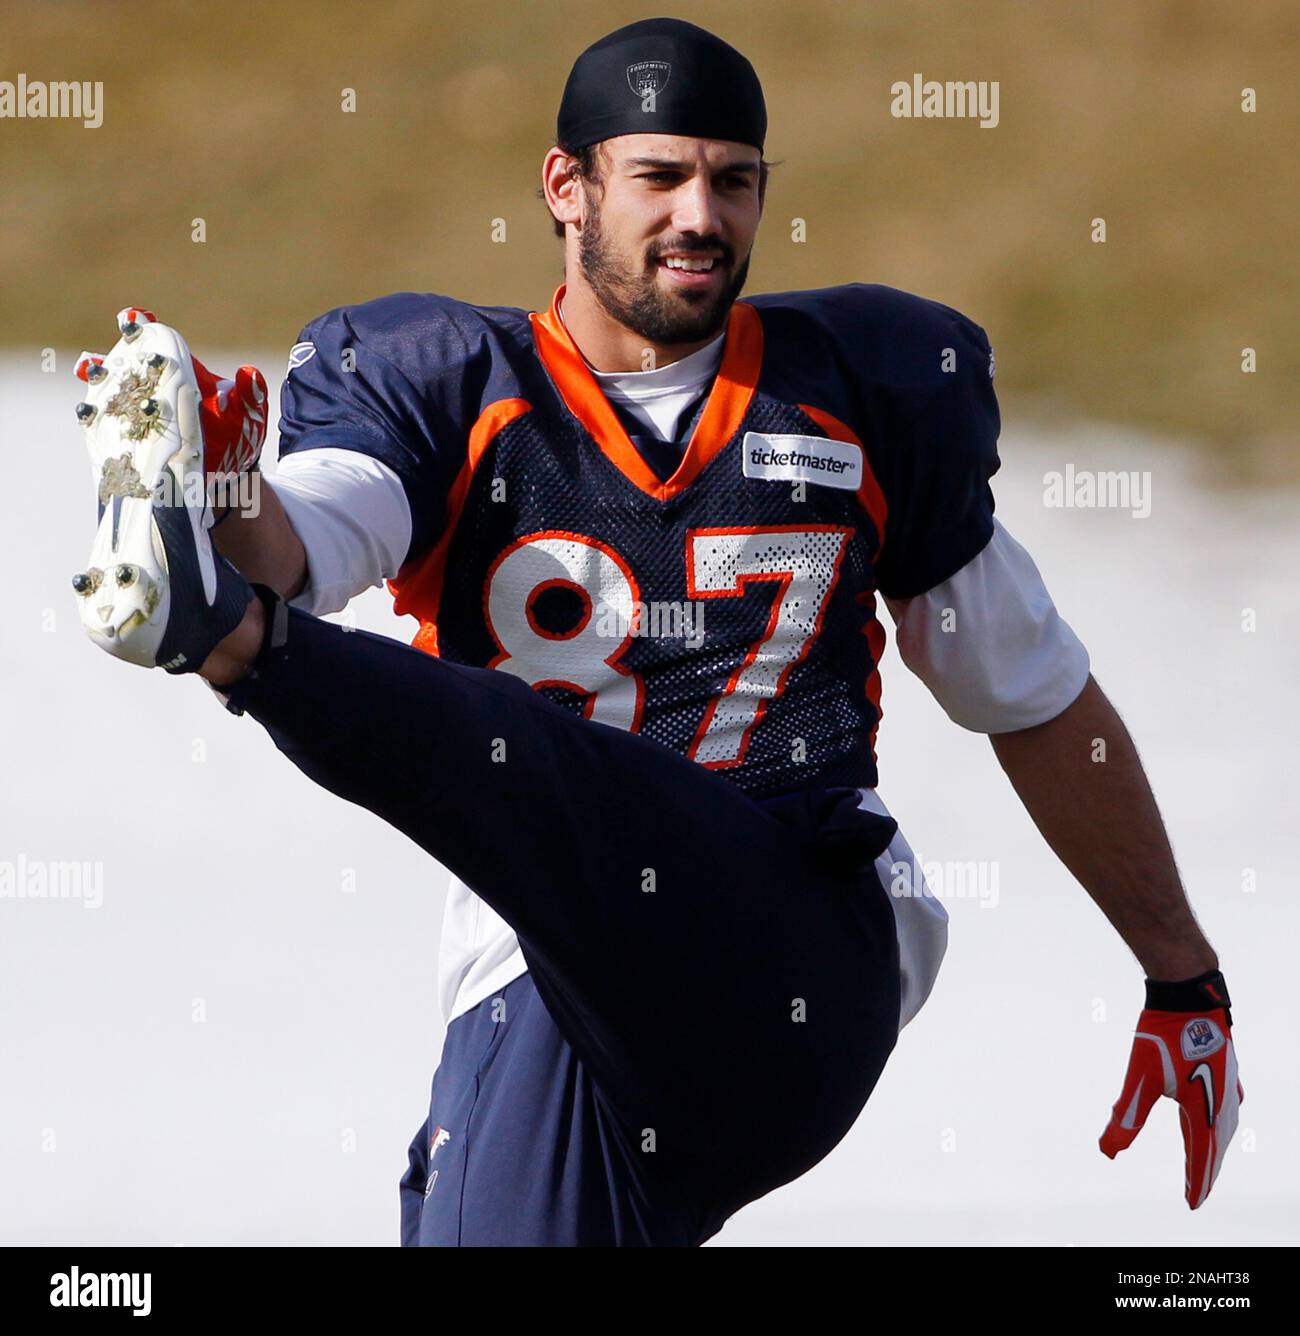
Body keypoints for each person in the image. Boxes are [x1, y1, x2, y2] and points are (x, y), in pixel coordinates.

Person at [70, 18, 1242, 1246]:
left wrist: (1182, 974)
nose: (703, 214)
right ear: (565, 186)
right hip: (552, 987)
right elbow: (315, 540)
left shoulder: (860, 391)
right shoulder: (451, 382)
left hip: (792, 952)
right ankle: (220, 613)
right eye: (662, 175)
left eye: (735, 182)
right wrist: (228, 489)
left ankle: (224, 638)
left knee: (536, 763)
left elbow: (1035, 696)